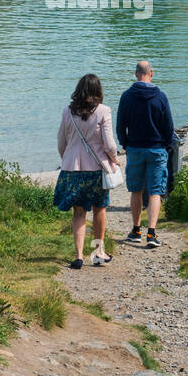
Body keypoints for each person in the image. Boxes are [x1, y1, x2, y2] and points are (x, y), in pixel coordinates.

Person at [54, 73, 120, 269]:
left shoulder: (67, 112)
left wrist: (67, 159)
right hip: (96, 170)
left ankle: (78, 256)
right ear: (98, 90)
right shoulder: (104, 111)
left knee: (78, 212)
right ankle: (98, 252)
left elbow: (61, 141)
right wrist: (114, 160)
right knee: (99, 210)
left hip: (72, 169)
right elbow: (109, 144)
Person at [115, 60, 174, 249]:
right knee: (155, 191)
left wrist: (126, 144)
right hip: (156, 149)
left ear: (135, 74)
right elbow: (168, 126)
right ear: (151, 73)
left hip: (135, 148)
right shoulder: (161, 96)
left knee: (136, 190)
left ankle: (136, 230)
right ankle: (152, 233)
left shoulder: (127, 96)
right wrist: (165, 145)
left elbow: (120, 125)